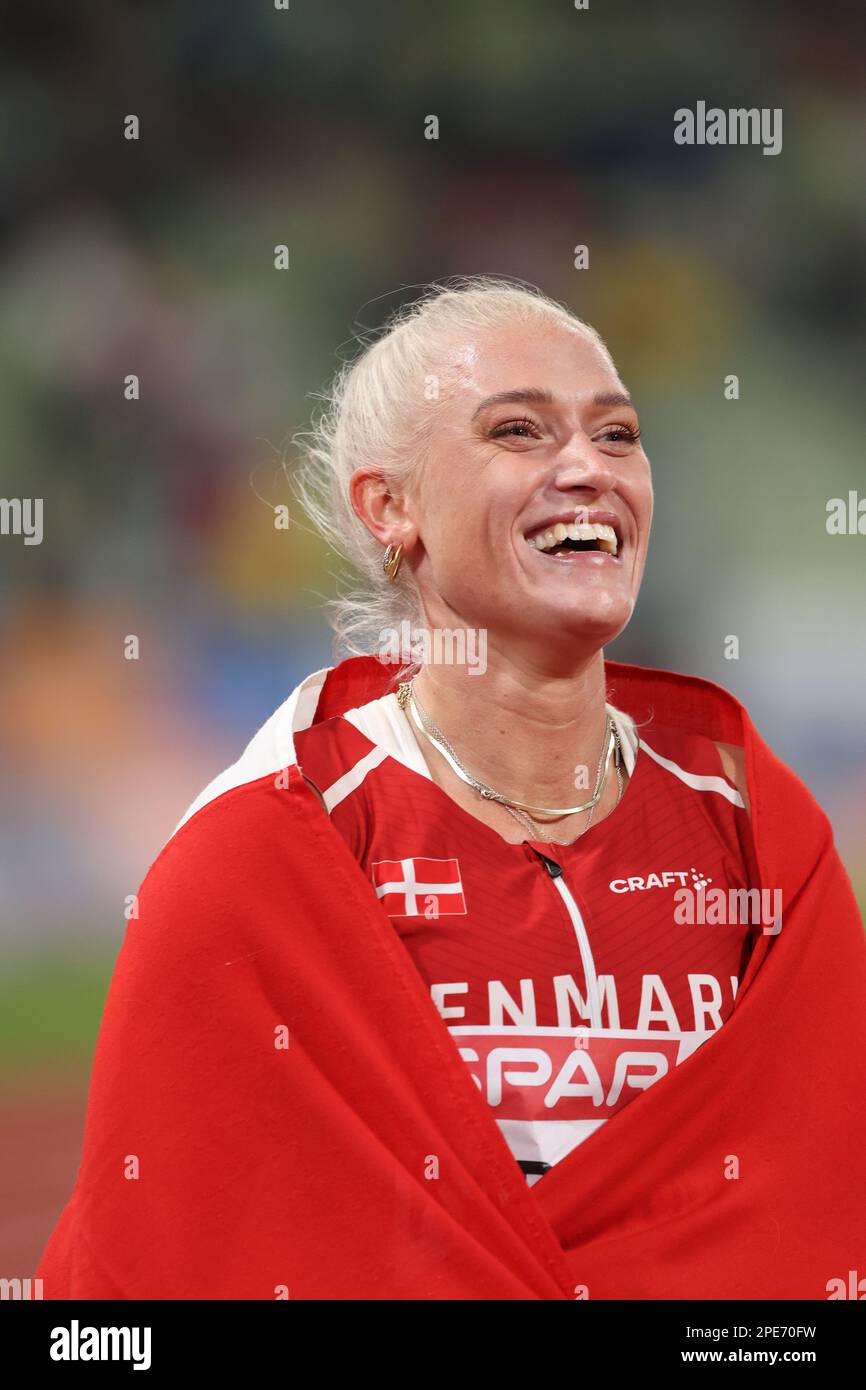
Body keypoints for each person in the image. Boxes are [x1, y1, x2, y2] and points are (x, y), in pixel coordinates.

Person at [37, 277, 866, 1300]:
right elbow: (173, 1245)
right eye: (517, 431)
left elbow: (819, 1219)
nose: (586, 469)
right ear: (390, 507)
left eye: (615, 436)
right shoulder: (271, 846)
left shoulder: (751, 831)